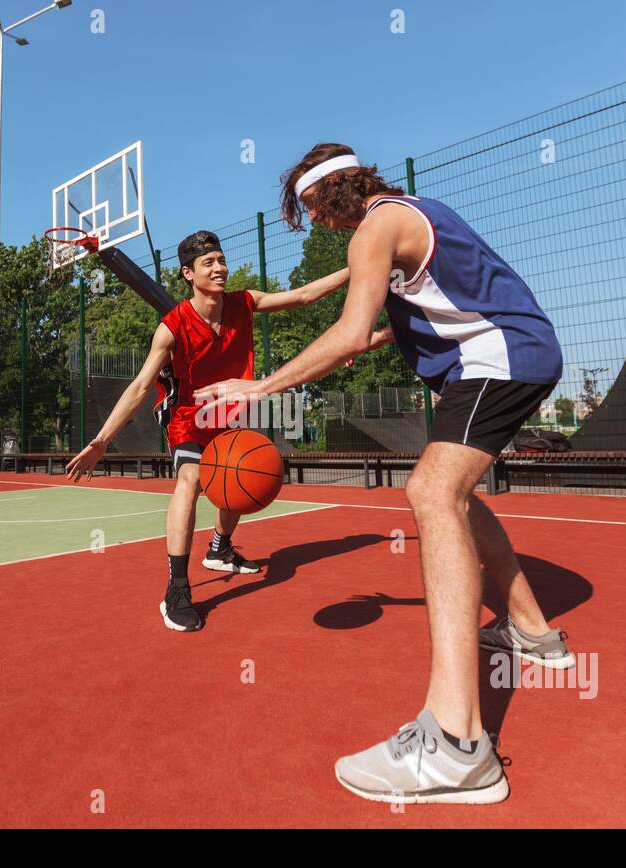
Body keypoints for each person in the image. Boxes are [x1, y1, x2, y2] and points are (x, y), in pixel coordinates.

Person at [195, 143, 573, 804]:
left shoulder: (376, 227)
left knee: (429, 490)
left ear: (331, 192)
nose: (314, 222)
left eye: (311, 208)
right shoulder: (410, 216)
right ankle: (533, 631)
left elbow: (344, 330)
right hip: (506, 353)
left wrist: (257, 387)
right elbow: (437, 300)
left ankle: (457, 746)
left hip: (499, 357)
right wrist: (372, 338)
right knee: (449, 494)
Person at [66, 230, 349, 633]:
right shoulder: (172, 327)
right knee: (192, 477)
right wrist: (102, 441)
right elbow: (141, 386)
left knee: (237, 474)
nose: (220, 269)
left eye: (221, 260)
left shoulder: (245, 304)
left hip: (229, 411)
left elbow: (304, 295)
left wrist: (358, 267)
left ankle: (220, 548)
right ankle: (177, 589)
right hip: (186, 415)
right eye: (209, 263)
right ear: (187, 273)